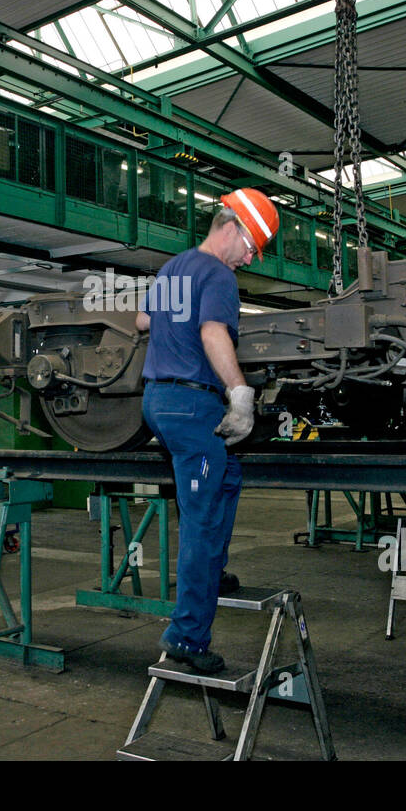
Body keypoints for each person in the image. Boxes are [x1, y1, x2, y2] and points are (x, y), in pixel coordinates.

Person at [134, 188, 279, 675]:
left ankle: (212, 572)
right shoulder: (217, 274)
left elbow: (141, 320)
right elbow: (213, 333)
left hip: (158, 401)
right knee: (198, 516)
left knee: (227, 477)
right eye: (252, 249)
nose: (249, 260)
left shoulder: (174, 266)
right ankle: (187, 636)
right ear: (233, 228)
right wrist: (239, 392)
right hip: (191, 405)